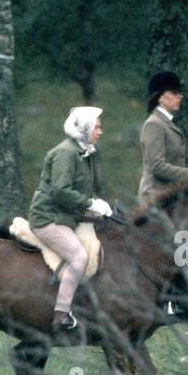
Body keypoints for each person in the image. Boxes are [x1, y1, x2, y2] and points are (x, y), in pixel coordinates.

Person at [27, 106, 113, 332]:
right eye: (97, 126)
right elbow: (60, 191)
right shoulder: (66, 153)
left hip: (65, 215)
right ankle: (61, 313)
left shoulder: (84, 152)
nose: (100, 131)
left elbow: (78, 191)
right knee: (79, 256)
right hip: (47, 218)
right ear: (84, 127)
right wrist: (90, 204)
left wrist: (97, 208)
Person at [137, 70, 188, 204]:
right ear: (160, 97)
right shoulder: (154, 124)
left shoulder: (167, 124)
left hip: (172, 196)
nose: (180, 96)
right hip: (156, 198)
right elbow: (157, 166)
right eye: (174, 93)